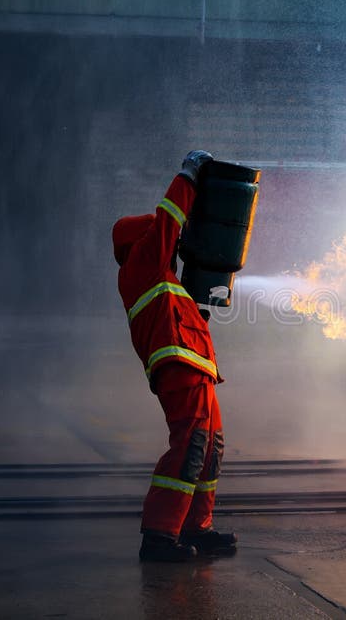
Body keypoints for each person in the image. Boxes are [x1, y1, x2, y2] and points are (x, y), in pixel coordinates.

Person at [112, 150, 236, 562]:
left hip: (197, 371)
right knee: (190, 444)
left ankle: (197, 527)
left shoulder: (165, 282)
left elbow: (189, 322)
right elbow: (168, 220)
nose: (172, 248)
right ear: (140, 243)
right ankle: (160, 536)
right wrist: (189, 174)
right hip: (179, 370)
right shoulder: (140, 265)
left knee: (210, 447)